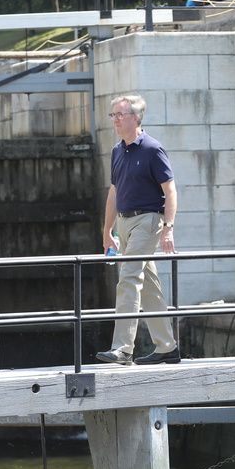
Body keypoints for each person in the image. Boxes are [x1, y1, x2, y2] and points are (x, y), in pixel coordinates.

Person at [97, 95, 180, 366]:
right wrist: (107, 228)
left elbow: (170, 191)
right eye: (113, 115)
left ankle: (123, 348)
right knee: (150, 287)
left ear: (136, 118)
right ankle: (167, 346)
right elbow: (114, 191)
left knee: (129, 277)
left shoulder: (153, 149)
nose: (115, 120)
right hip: (124, 222)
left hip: (148, 221)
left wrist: (168, 228)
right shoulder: (117, 150)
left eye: (120, 115)